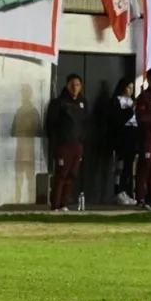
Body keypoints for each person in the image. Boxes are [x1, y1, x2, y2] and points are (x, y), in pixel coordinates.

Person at [45, 74, 89, 212]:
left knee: (72, 175)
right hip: (63, 146)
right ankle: (55, 205)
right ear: (67, 85)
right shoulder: (59, 103)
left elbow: (86, 123)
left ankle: (65, 203)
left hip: (77, 145)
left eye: (77, 85)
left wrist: (83, 140)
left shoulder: (83, 103)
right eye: (72, 85)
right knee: (61, 175)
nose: (75, 88)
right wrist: (57, 141)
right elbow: (50, 125)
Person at [107, 77, 137, 206]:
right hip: (121, 135)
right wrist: (131, 111)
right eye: (128, 87)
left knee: (128, 166)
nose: (130, 90)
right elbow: (117, 119)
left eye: (132, 88)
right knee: (120, 165)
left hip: (133, 134)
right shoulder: (116, 101)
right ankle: (117, 191)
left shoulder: (132, 101)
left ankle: (126, 191)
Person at [134, 68, 151, 209]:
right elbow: (141, 118)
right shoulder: (144, 97)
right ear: (148, 80)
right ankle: (141, 198)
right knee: (144, 169)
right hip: (148, 140)